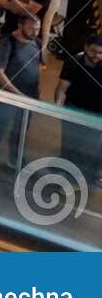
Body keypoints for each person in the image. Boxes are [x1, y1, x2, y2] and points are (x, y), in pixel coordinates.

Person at [0, 12, 43, 180]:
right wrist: (17, 94)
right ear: (20, 24)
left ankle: (15, 159)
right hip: (9, 97)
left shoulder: (37, 43)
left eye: (38, 29)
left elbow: (38, 66)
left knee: (20, 131)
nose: (35, 32)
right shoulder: (7, 43)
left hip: (29, 97)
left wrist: (37, 91)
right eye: (31, 28)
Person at [55, 33, 102, 187]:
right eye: (93, 51)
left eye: (101, 53)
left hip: (96, 115)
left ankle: (84, 179)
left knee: (91, 148)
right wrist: (58, 108)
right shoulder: (73, 62)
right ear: (85, 47)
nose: (97, 56)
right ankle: (68, 174)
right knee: (70, 144)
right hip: (73, 110)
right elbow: (62, 88)